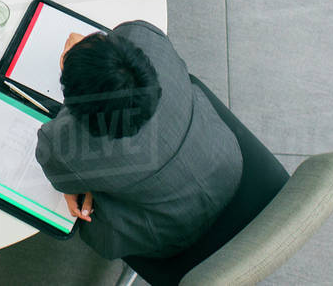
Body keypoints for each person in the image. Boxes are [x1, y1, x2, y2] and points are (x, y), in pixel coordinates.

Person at [34, 22, 243, 261]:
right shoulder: (146, 37)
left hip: (170, 232)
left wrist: (78, 68)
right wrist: (96, 55)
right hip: (225, 162)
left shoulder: (61, 146)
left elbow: (62, 172)